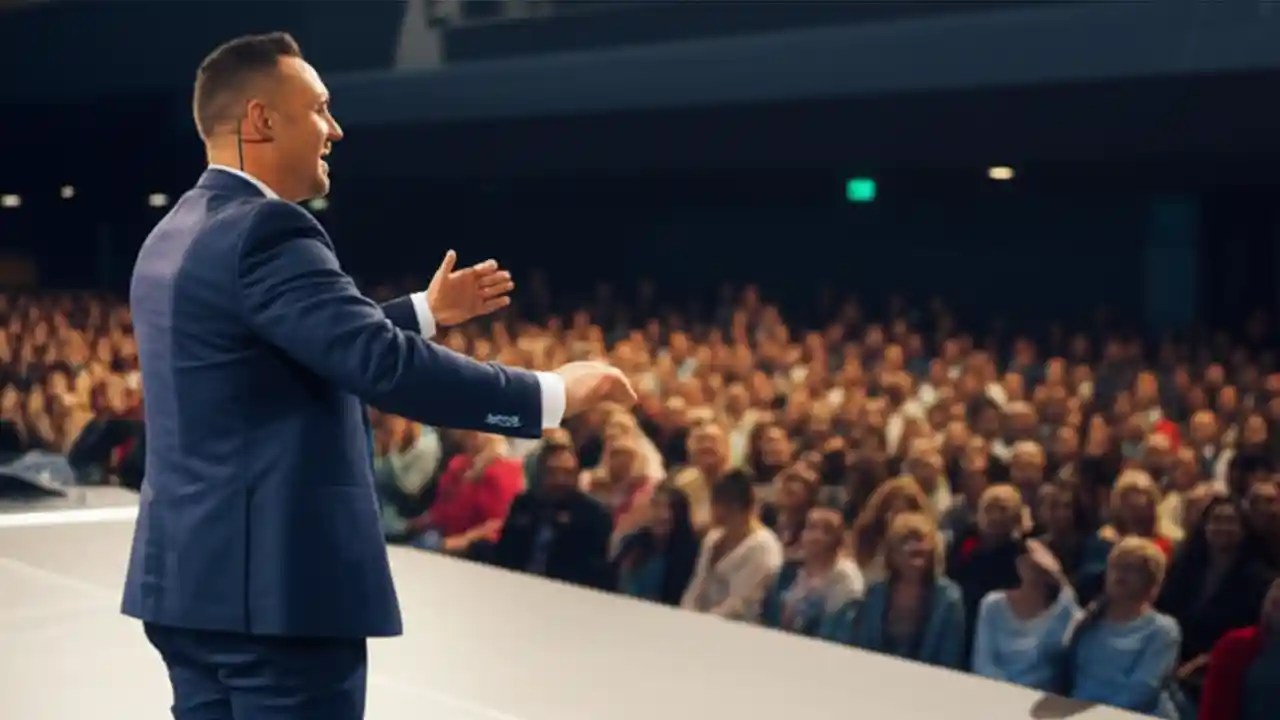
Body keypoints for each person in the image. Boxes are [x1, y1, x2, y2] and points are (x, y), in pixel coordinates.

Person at [121, 32, 634, 720]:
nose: (335, 129)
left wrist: (423, 311)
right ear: (260, 121)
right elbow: (380, 365)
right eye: (320, 109)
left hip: (187, 584)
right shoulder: (268, 229)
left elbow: (282, 347)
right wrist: (552, 393)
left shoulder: (174, 233)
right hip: (279, 598)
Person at [970, 538, 1080, 692]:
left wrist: (1057, 576)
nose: (1033, 569)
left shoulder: (1061, 613)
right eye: (1027, 561)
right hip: (993, 696)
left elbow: (1057, 648)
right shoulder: (992, 604)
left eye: (1040, 567)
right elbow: (983, 663)